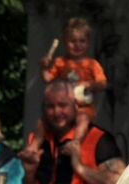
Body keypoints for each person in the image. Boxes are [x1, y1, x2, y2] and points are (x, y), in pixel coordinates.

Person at [36, 17, 107, 146]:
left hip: (83, 107)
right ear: (65, 42)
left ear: (88, 43)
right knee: (43, 121)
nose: (77, 45)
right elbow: (47, 79)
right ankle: (34, 147)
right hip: (63, 107)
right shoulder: (60, 62)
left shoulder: (92, 64)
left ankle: (75, 144)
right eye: (72, 41)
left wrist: (89, 85)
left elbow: (103, 83)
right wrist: (43, 67)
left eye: (82, 41)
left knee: (83, 119)